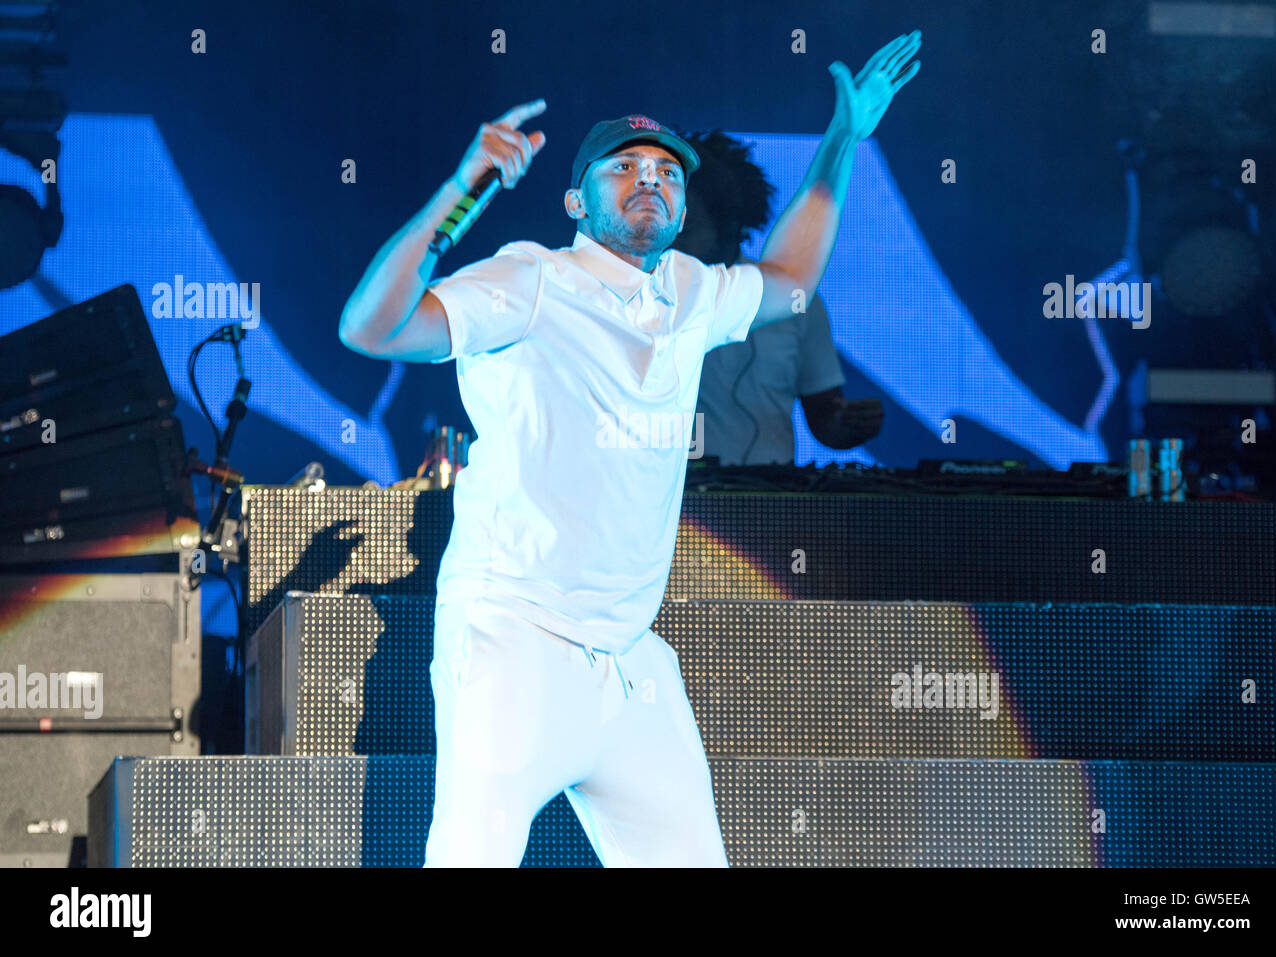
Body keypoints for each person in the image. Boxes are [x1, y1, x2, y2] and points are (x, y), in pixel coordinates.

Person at [339, 31, 921, 867]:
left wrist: (841, 140)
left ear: (681, 210)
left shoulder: (690, 292)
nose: (651, 178)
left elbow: (792, 281)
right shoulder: (531, 278)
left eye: (668, 173)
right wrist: (462, 192)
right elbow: (372, 328)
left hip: (630, 662)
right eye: (625, 167)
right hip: (515, 638)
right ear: (576, 203)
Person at [673, 130, 884, 464]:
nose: (672, 241)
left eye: (686, 229)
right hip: (674, 492)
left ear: (729, 225)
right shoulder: (650, 296)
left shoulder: (797, 302)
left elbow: (825, 420)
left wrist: (850, 423)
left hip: (772, 493)